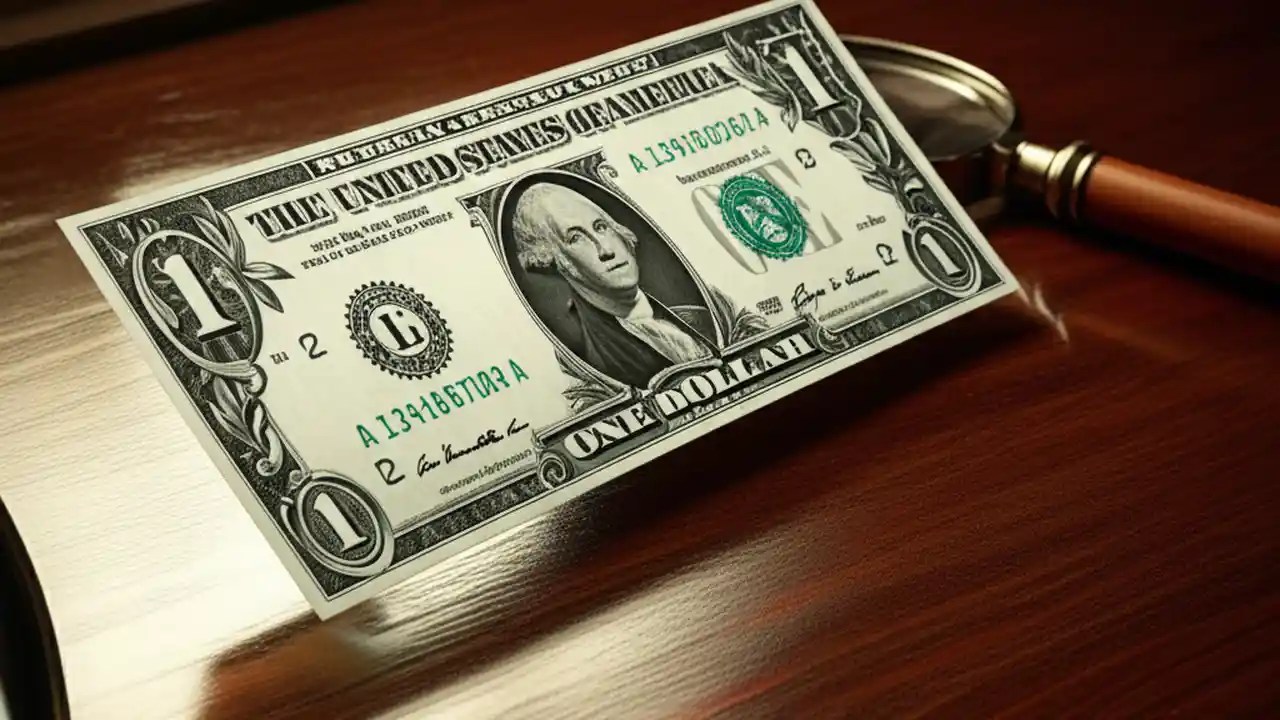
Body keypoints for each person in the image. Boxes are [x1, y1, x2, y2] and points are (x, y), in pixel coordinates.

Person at [511, 182, 716, 387]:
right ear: (551, 259)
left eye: (601, 227)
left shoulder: (704, 318)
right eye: (576, 238)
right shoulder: (592, 367)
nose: (606, 249)